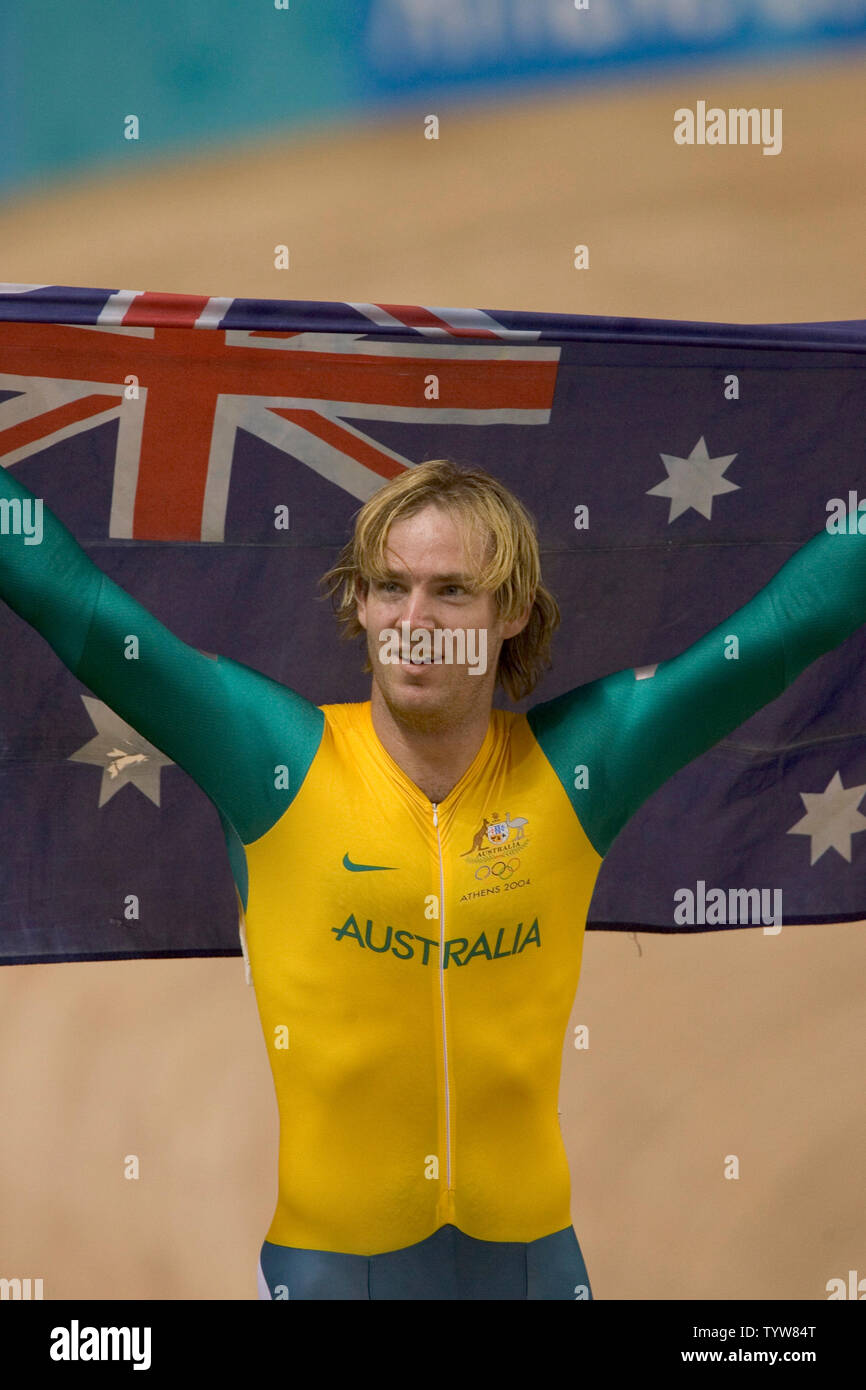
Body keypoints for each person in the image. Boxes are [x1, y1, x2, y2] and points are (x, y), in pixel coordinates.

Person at [1, 456, 864, 1300]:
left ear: (513, 610)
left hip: (536, 1271)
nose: (413, 619)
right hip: (330, 1275)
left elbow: (785, 628)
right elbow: (74, 602)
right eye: (388, 586)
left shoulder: (581, 765)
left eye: (450, 590)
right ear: (360, 603)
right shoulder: (272, 757)